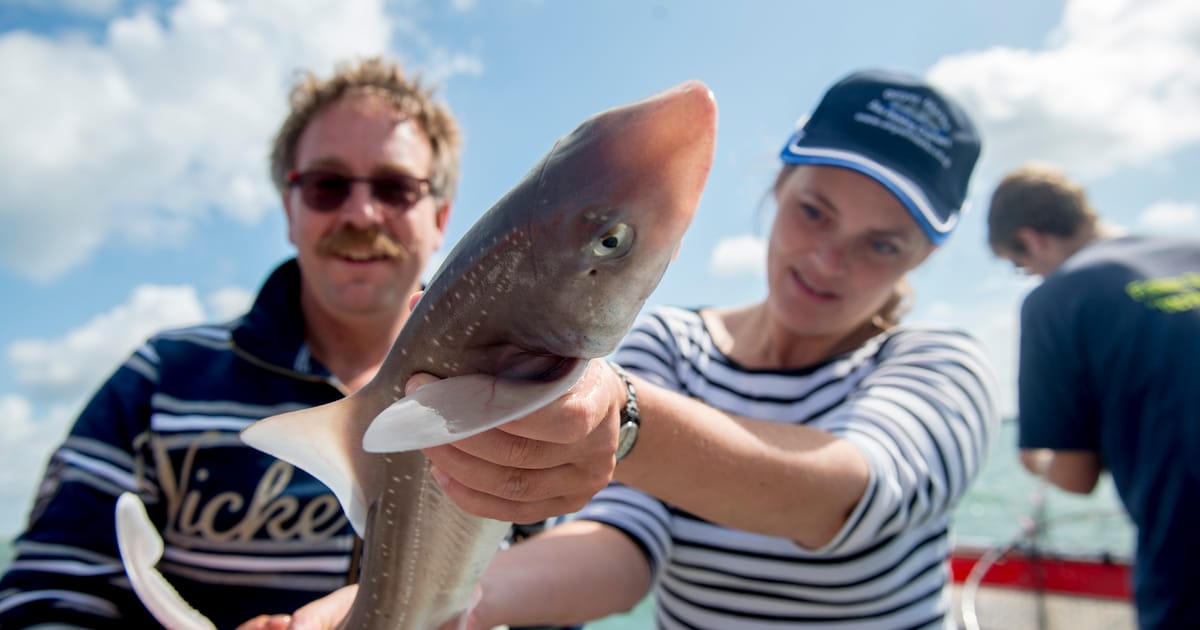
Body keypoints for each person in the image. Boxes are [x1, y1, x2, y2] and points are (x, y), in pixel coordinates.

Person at [282, 68, 1001, 629]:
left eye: (883, 244)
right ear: (778, 187)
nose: (830, 260)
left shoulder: (944, 367)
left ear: (923, 259)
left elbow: (853, 499)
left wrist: (624, 424)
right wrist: (432, 608)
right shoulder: (670, 347)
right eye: (816, 210)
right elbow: (622, 548)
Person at [0, 57, 620, 629]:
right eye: (328, 186)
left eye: (394, 188)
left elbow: (552, 600)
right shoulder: (161, 379)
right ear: (290, 207)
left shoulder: (525, 398)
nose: (361, 214)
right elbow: (47, 593)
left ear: (439, 216)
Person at [986, 163, 1200, 629]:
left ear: (1033, 239)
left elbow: (1077, 474)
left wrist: (1037, 461)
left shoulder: (1057, 298)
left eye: (1024, 269)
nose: (1034, 278)